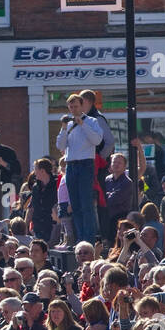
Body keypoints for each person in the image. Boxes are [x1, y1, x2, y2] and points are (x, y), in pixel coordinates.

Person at [54, 93, 104, 244]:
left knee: (86, 204)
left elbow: (96, 140)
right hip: (71, 165)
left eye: (76, 106)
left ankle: (88, 239)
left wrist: (82, 124)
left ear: (82, 106)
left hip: (85, 164)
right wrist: (63, 128)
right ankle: (80, 238)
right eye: (70, 106)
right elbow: (60, 146)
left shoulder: (92, 121)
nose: (73, 109)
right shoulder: (68, 125)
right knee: (75, 205)